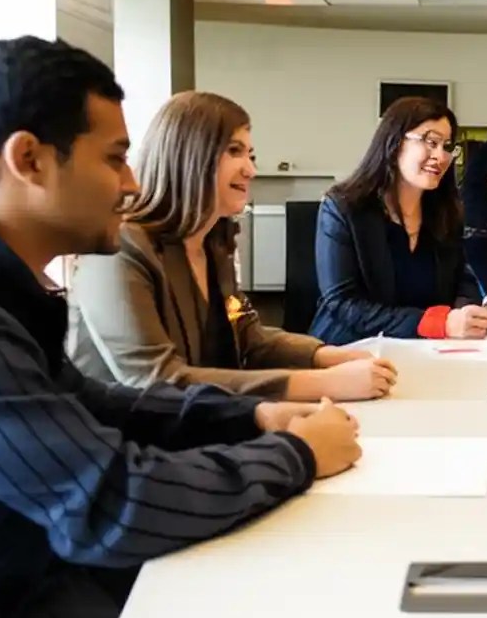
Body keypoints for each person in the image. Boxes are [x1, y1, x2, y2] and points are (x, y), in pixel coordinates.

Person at [0, 37, 361, 618]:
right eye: (114, 159)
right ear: (30, 160)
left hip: (34, 577)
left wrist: (253, 418)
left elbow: (95, 403)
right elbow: (111, 503)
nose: (131, 185)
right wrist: (297, 454)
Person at [68, 91, 395, 401]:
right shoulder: (120, 249)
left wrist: (327, 356)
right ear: (189, 153)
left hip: (192, 428)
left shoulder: (213, 245)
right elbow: (157, 381)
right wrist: (322, 383)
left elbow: (247, 335)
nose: (251, 170)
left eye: (250, 155)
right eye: (235, 151)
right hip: (119, 444)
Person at [310, 96, 487, 345]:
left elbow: (462, 279)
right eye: (431, 142)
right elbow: (343, 304)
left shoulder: (446, 213)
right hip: (349, 351)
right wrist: (439, 322)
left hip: (423, 350)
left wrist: (466, 314)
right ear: (395, 143)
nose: (440, 156)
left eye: (448, 146)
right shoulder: (343, 208)